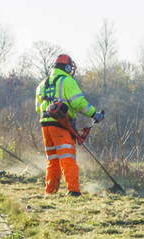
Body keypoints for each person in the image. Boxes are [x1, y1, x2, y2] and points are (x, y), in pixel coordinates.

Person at [34, 54, 104, 196]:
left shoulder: (42, 84)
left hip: (45, 125)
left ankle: (50, 191)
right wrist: (94, 114)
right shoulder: (67, 81)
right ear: (67, 67)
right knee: (67, 158)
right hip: (60, 124)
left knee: (52, 159)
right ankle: (73, 191)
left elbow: (37, 108)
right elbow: (78, 103)